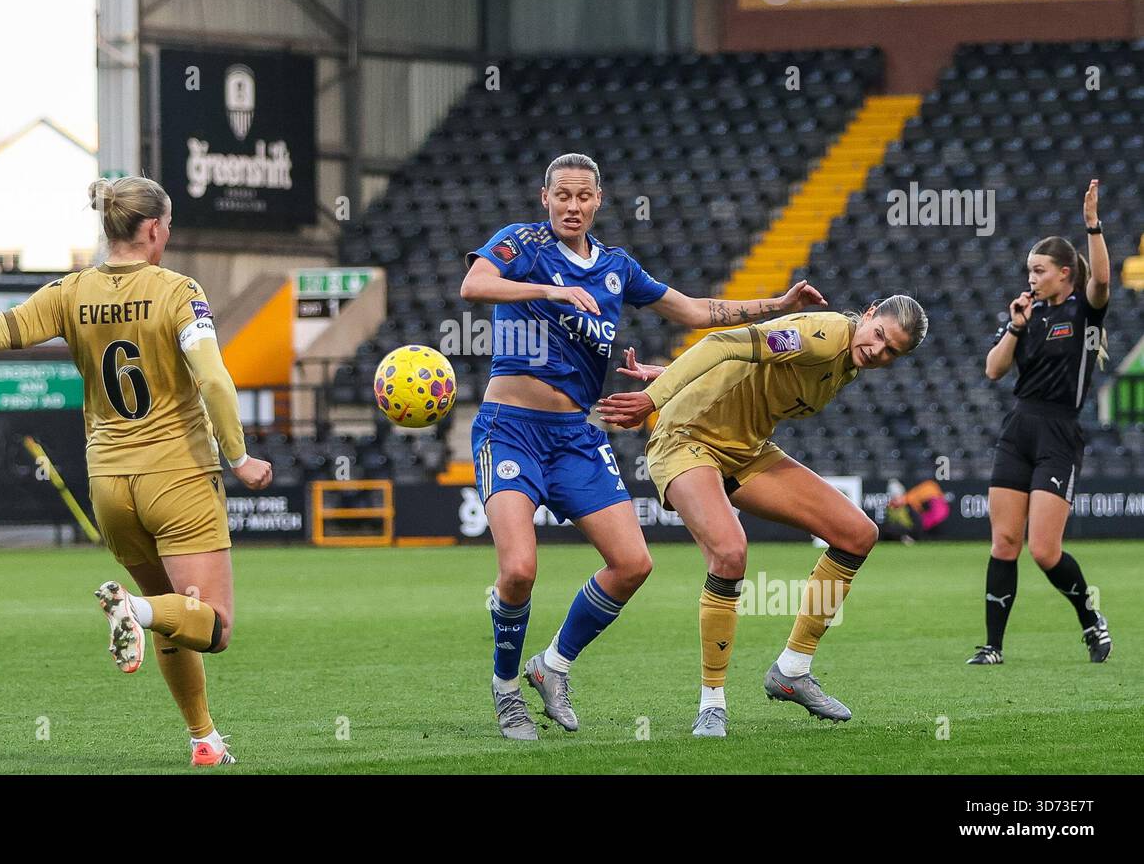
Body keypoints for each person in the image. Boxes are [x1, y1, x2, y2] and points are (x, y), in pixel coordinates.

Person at [0, 176, 273, 766]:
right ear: (154, 229)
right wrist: (240, 457)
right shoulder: (179, 290)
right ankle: (135, 612)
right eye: (167, 226)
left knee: (171, 613)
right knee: (214, 624)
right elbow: (212, 379)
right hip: (176, 475)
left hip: (108, 486)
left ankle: (204, 738)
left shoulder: (69, 292)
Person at [460, 152, 826, 740]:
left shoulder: (616, 268)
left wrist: (775, 307)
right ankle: (506, 692)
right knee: (520, 570)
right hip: (510, 427)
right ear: (544, 197)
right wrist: (550, 294)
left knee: (633, 564)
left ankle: (552, 666)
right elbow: (474, 284)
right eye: (562, 196)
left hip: (576, 434)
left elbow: (695, 310)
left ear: (598, 200)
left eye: (583, 197)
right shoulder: (520, 243)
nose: (572, 206)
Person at [599, 295, 928, 738]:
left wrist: (670, 376)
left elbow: (749, 369)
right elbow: (722, 343)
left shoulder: (848, 362)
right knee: (731, 553)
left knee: (857, 533)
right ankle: (712, 703)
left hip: (746, 450)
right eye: (879, 335)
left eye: (892, 352)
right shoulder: (824, 335)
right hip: (686, 440)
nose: (878, 351)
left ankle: (792, 670)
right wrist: (653, 397)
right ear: (868, 314)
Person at [970, 180, 1112, 666]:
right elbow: (992, 369)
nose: (1030, 278)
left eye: (1039, 271)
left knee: (1045, 550)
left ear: (1064, 274)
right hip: (1019, 429)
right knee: (1004, 541)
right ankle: (992, 647)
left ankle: (1091, 619)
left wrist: (1092, 223)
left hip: (1058, 431)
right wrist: (1014, 325)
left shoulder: (1085, 310)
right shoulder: (1025, 315)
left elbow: (1103, 282)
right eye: (1028, 270)